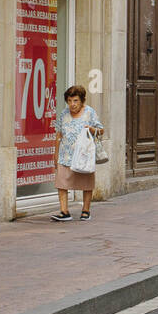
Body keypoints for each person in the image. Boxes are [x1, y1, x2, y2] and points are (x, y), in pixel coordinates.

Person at [50, 85, 104, 222]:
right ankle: (64, 211)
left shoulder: (89, 112)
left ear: (81, 101)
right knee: (61, 182)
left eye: (75, 101)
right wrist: (56, 154)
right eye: (69, 101)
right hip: (65, 154)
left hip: (83, 156)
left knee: (86, 182)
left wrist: (91, 129)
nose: (72, 104)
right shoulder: (63, 114)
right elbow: (59, 134)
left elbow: (101, 130)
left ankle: (86, 211)